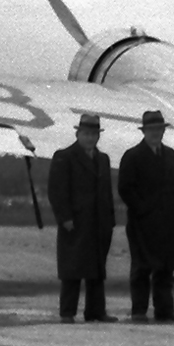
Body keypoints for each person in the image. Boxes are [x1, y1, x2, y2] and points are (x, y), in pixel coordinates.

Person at [118, 109, 174, 322]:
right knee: (141, 267)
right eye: (151, 130)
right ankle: (139, 311)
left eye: (159, 129)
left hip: (167, 223)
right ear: (144, 131)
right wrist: (143, 209)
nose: (156, 133)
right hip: (142, 224)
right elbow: (125, 188)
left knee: (165, 268)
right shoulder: (133, 156)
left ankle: (164, 311)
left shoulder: (170, 155)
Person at [47, 112, 117, 323]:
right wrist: (65, 218)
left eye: (94, 134)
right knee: (72, 270)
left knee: (96, 270)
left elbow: (106, 192)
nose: (90, 138)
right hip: (75, 223)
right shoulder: (64, 156)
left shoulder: (103, 159)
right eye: (86, 133)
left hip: (98, 223)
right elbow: (56, 191)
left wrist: (110, 220)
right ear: (78, 134)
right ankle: (67, 312)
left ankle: (96, 311)